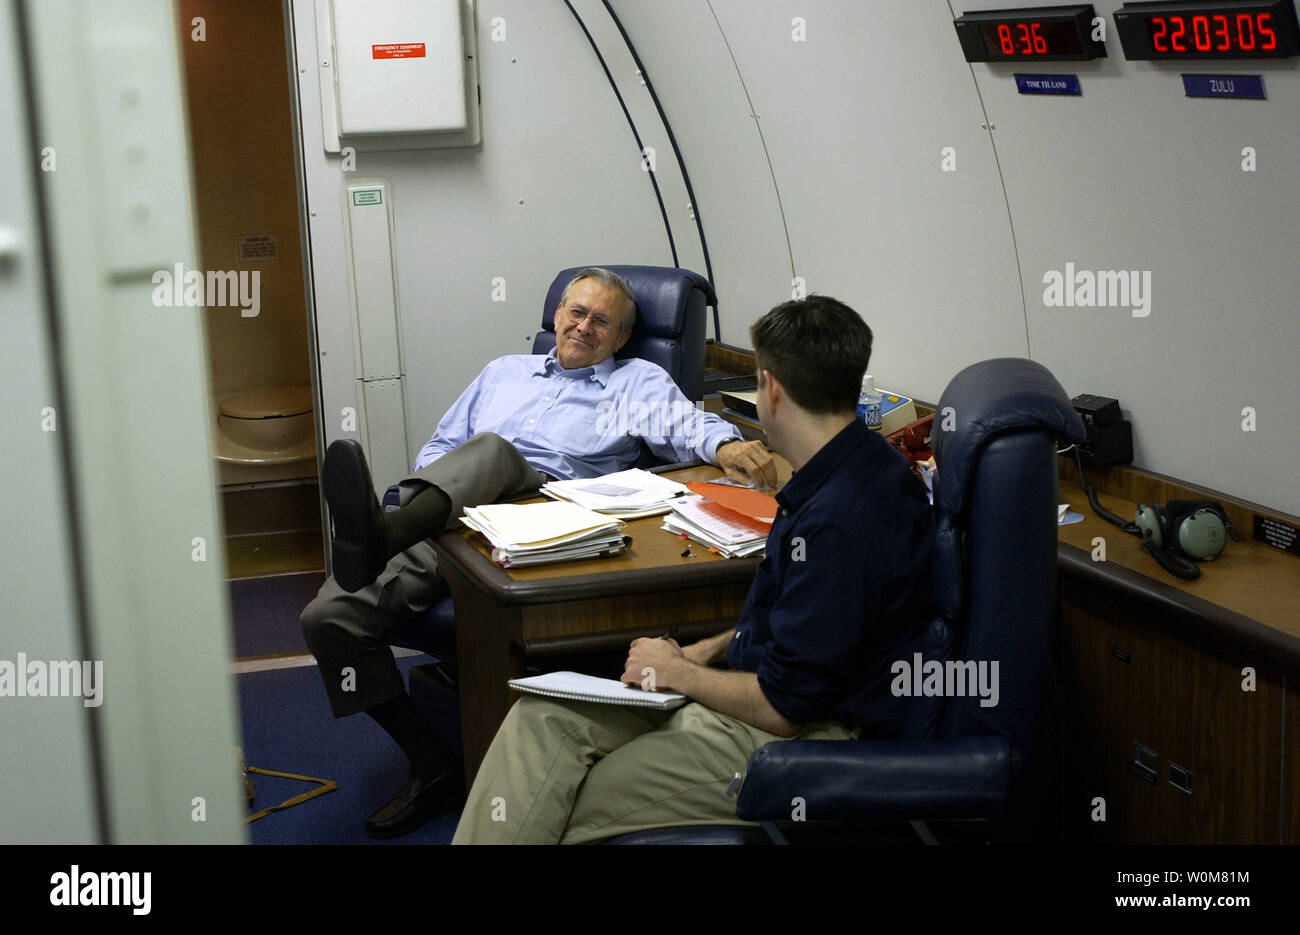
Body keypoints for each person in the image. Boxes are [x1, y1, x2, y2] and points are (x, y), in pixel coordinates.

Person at [300, 267, 774, 838]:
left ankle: (382, 533)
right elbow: (442, 447)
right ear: (555, 316)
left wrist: (726, 443)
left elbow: (686, 424)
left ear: (622, 338)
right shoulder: (504, 371)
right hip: (456, 523)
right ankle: (430, 763)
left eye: (602, 321)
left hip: (549, 524)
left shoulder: (636, 382)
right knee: (329, 619)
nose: (583, 326)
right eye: (575, 312)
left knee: (495, 451)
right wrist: (434, 496)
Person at [452, 294, 935, 844]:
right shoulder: (855, 466)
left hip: (804, 738)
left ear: (770, 389)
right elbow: (801, 620)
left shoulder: (839, 519)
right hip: (760, 691)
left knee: (552, 802)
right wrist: (700, 652)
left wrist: (679, 674)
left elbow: (784, 709)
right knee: (541, 717)